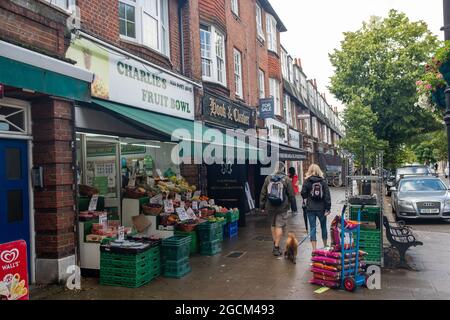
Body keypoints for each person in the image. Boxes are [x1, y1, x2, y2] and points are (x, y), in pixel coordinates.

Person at [260, 161, 296, 256]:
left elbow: (263, 193)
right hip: (282, 207)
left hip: (270, 206)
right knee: (279, 226)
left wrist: (262, 206)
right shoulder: (286, 179)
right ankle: (276, 247)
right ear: (283, 169)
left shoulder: (268, 178)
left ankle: (275, 243)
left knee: (273, 225)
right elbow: (291, 195)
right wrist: (294, 208)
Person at [301, 164, 331, 251]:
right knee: (323, 227)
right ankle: (325, 246)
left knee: (312, 228)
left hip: (310, 208)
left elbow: (303, 194)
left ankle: (314, 250)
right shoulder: (323, 182)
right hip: (321, 209)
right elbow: (327, 196)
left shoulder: (307, 181)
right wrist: (328, 208)